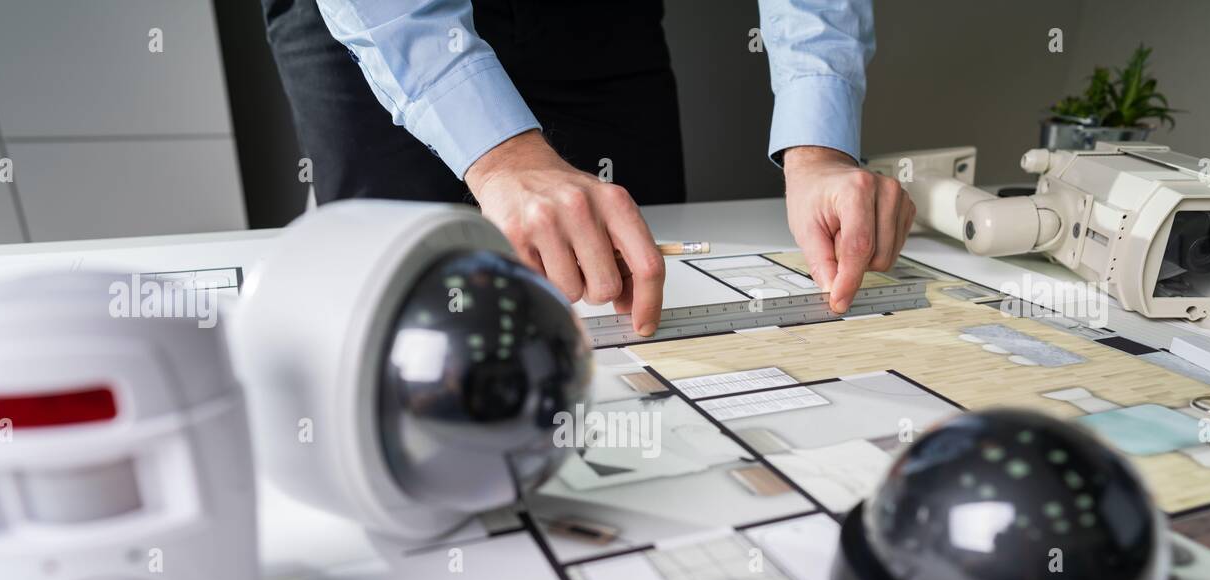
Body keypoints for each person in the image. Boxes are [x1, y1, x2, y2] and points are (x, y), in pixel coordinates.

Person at [263, 0, 914, 335]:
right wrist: (504, 157)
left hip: (598, 22)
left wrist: (818, 146)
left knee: (628, 290)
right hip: (389, 19)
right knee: (398, 310)